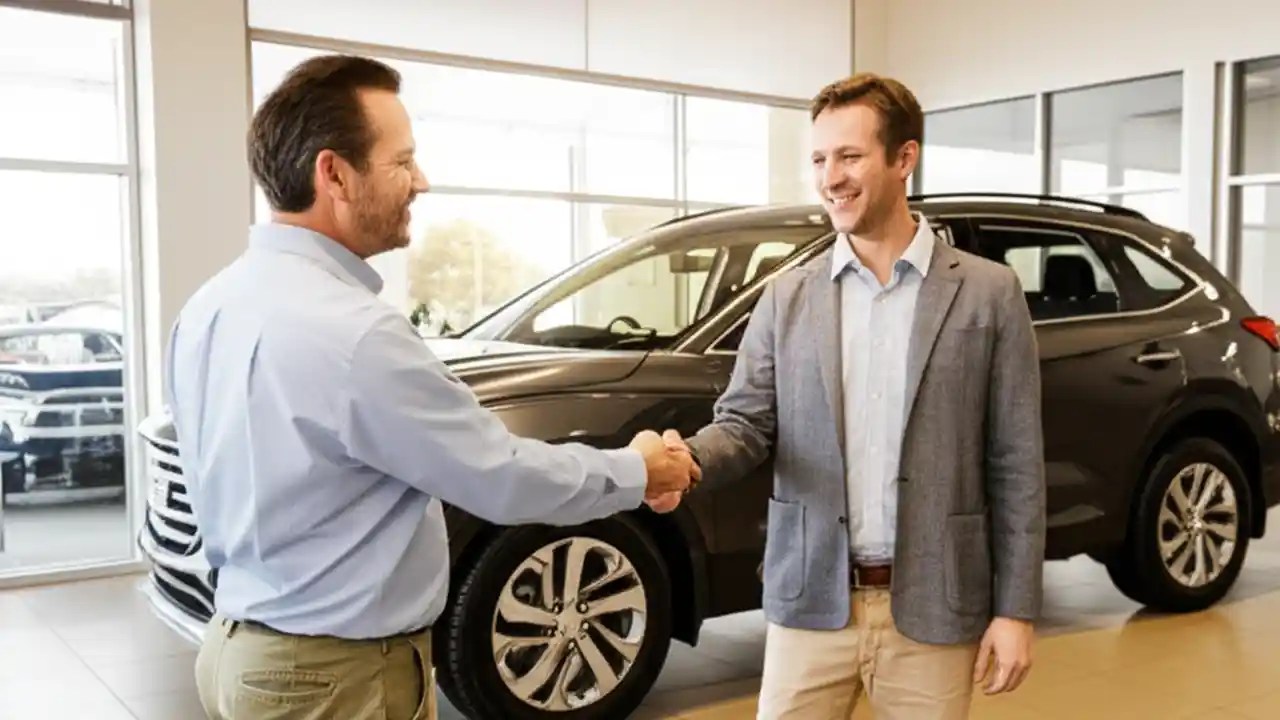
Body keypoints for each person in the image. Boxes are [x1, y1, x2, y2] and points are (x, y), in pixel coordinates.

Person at [166, 54, 698, 720]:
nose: (421, 180)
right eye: (402, 161)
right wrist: (637, 469)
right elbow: (500, 476)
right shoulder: (357, 334)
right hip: (337, 679)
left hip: (239, 654)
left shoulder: (211, 305)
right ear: (332, 172)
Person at [659, 73, 1046, 719]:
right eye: (819, 158)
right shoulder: (788, 295)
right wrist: (687, 460)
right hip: (810, 599)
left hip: (934, 603)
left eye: (849, 156)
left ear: (904, 159)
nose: (830, 177)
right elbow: (746, 423)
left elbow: (1016, 461)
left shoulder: (989, 293)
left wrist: (1015, 610)